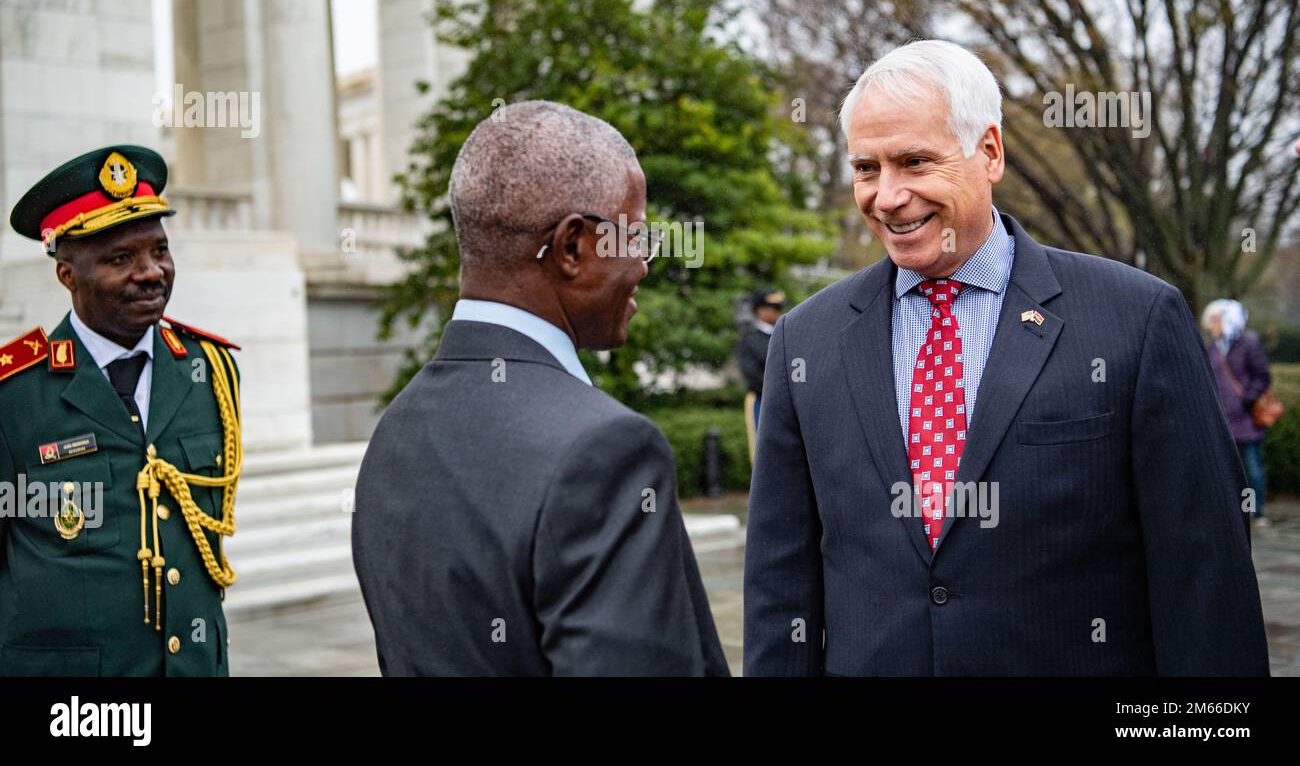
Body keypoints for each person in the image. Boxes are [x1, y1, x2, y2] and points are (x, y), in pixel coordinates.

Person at [743, 40, 1269, 676]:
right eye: (866, 168)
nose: (886, 196)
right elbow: (779, 582)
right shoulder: (806, 340)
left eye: (913, 161)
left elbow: (1203, 575)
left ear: (989, 152)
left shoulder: (1135, 319)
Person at [352, 101, 729, 676]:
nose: (645, 264)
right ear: (574, 247)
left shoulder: (396, 432)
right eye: (636, 235)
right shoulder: (605, 452)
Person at [0, 145, 242, 676]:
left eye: (160, 250)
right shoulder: (14, 394)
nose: (151, 272)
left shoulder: (212, 372)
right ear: (67, 273)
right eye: (120, 259)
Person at [1204, 299, 1273, 527]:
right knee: (1226, 469)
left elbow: (1263, 376)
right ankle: (1233, 511)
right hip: (1222, 420)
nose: (1210, 324)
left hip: (1245, 418)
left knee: (1251, 468)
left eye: (1215, 320)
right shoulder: (1212, 347)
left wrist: (1248, 398)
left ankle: (1256, 512)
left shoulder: (1248, 342)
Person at [738, 289, 784, 463]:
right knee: (763, 450)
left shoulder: (784, 334)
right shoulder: (750, 339)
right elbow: (751, 373)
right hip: (761, 398)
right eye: (772, 307)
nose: (777, 311)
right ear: (760, 310)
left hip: (786, 399)